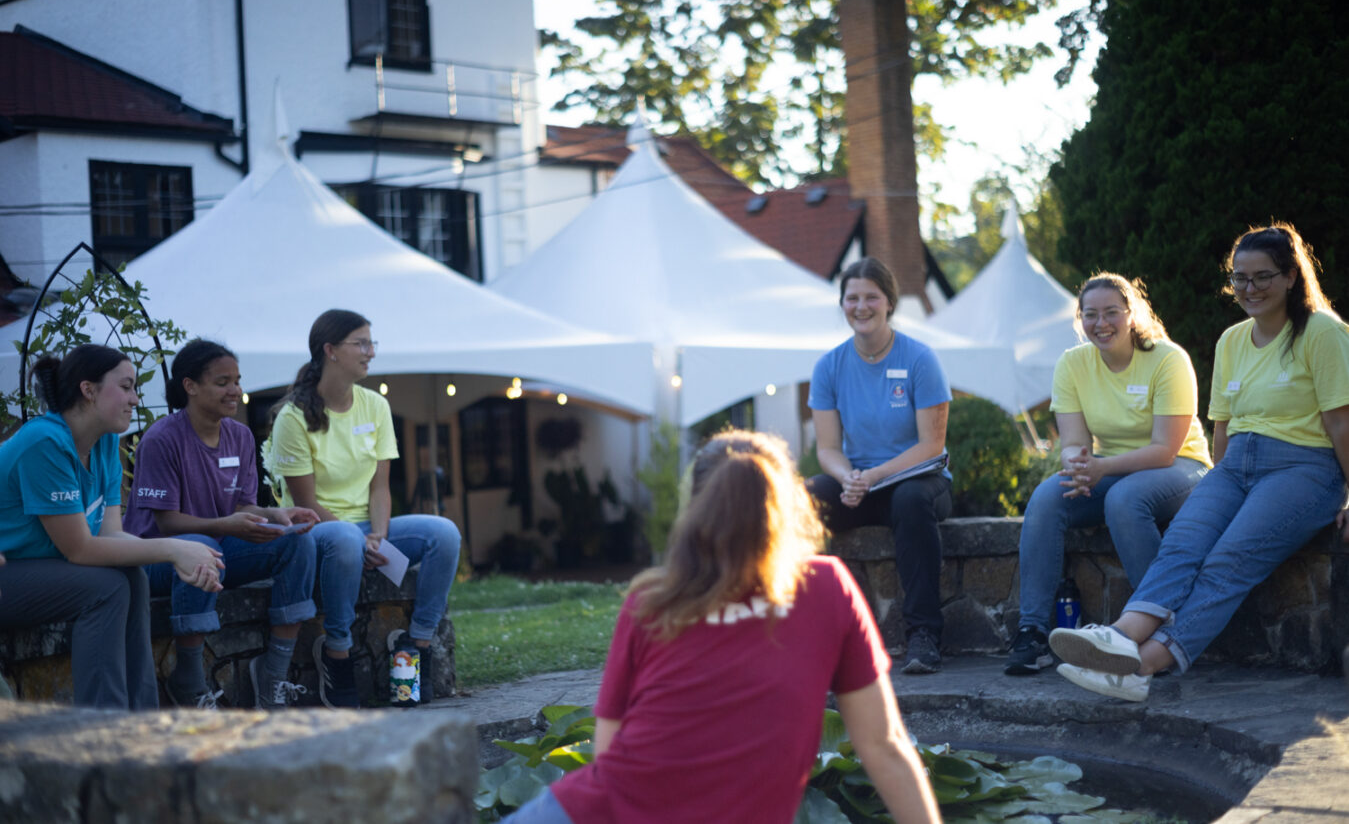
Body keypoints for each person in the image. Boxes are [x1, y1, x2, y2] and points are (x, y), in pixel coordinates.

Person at [502, 430, 942, 824]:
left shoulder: (653, 598)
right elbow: (884, 748)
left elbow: (607, 751)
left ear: (695, 511)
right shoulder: (826, 588)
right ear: (786, 509)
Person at [1051, 223, 1349, 701]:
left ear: (1292, 276)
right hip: (1235, 468)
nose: (1249, 289)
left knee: (1228, 561)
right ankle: (1121, 637)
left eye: (1262, 277)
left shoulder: (1322, 333)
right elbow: (1224, 427)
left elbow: (1341, 424)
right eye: (1240, 279)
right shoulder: (1232, 339)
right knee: (1184, 543)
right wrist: (1220, 488)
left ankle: (1140, 669)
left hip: (1304, 469)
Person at [1005, 274, 1211, 675]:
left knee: (1125, 498)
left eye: (1111, 312)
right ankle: (1032, 632)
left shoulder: (1168, 359)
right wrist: (1078, 467)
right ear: (1079, 319)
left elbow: (1164, 449)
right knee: (1048, 499)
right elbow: (1074, 443)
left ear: (1131, 314)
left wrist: (1100, 468)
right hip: (1115, 469)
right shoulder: (1073, 363)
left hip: (1182, 469)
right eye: (1090, 314)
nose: (1101, 323)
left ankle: (1161, 626)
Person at [0, 345, 224, 709]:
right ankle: (104, 729)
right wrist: (173, 549)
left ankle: (141, 721)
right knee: (104, 588)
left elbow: (109, 535)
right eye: (126, 387)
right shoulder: (45, 442)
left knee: (133, 576)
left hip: (32, 568)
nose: (136, 399)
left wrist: (184, 556)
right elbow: (81, 549)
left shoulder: (104, 444)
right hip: (6, 571)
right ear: (88, 390)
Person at [263, 309, 461, 708]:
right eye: (362, 343)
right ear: (331, 351)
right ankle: (337, 652)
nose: (371, 352)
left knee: (444, 533)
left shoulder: (375, 405)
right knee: (341, 537)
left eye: (373, 343)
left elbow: (381, 487)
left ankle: (415, 644)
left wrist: (379, 535)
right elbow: (305, 504)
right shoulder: (293, 417)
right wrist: (358, 538)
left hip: (366, 527)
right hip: (316, 528)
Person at [125, 339, 319, 710]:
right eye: (223, 382)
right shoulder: (161, 439)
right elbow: (166, 524)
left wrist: (276, 516)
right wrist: (228, 526)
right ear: (190, 386)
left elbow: (243, 504)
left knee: (297, 542)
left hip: (216, 544)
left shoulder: (240, 435)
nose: (235, 391)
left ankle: (273, 674)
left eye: (237, 380)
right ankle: (190, 681)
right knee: (198, 545)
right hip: (155, 556)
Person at [807, 257, 951, 674]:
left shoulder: (921, 360)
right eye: (852, 298)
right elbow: (829, 448)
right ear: (843, 304)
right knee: (807, 498)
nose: (861, 306)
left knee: (909, 500)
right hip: (862, 484)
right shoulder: (828, 366)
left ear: (889, 302)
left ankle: (924, 636)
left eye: (872, 296)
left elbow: (931, 445)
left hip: (921, 481)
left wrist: (873, 475)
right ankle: (809, 628)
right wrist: (847, 476)